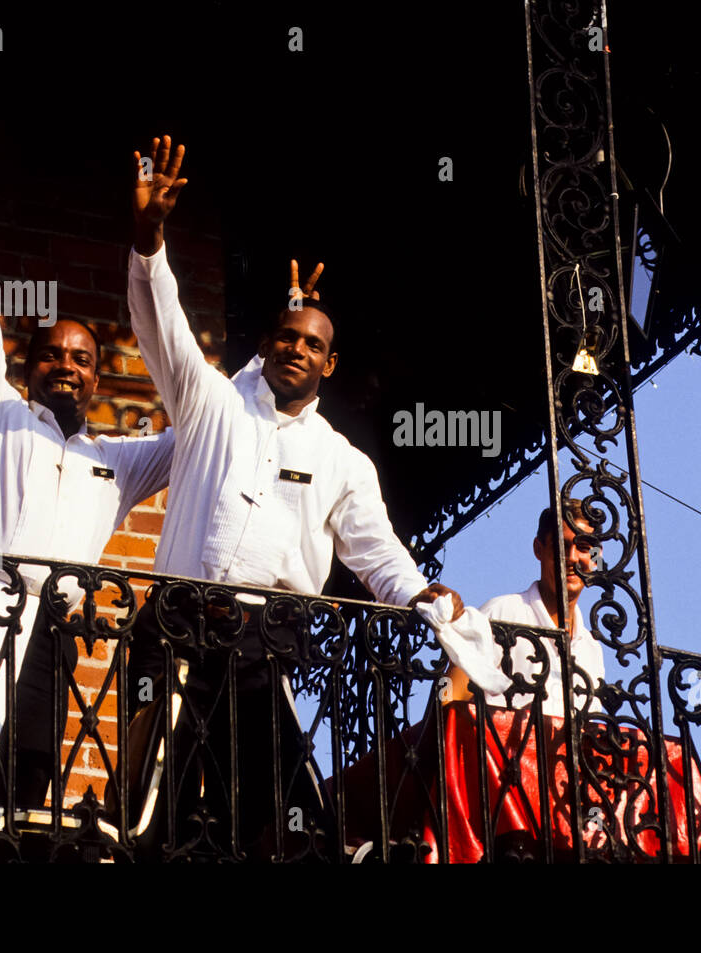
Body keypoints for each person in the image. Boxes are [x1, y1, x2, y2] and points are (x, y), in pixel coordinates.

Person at [123, 136, 465, 858]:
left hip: (262, 643)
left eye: (310, 342)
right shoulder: (210, 403)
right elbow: (163, 326)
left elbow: (379, 555)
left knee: (275, 811)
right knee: (157, 809)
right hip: (176, 628)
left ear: (329, 362)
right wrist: (151, 240)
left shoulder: (341, 459)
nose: (295, 349)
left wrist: (422, 594)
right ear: (266, 343)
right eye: (284, 335)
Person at [0, 109, 175, 816]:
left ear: (97, 379)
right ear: (31, 367)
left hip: (48, 641)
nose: (66, 364)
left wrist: (151, 248)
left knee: (24, 795)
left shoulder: (116, 463)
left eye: (81, 358)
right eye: (52, 354)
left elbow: (209, 422)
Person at [444, 501, 605, 715]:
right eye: (561, 546)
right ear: (539, 549)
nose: (573, 557)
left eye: (584, 548)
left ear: (596, 558)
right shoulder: (500, 613)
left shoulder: (592, 649)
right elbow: (446, 699)